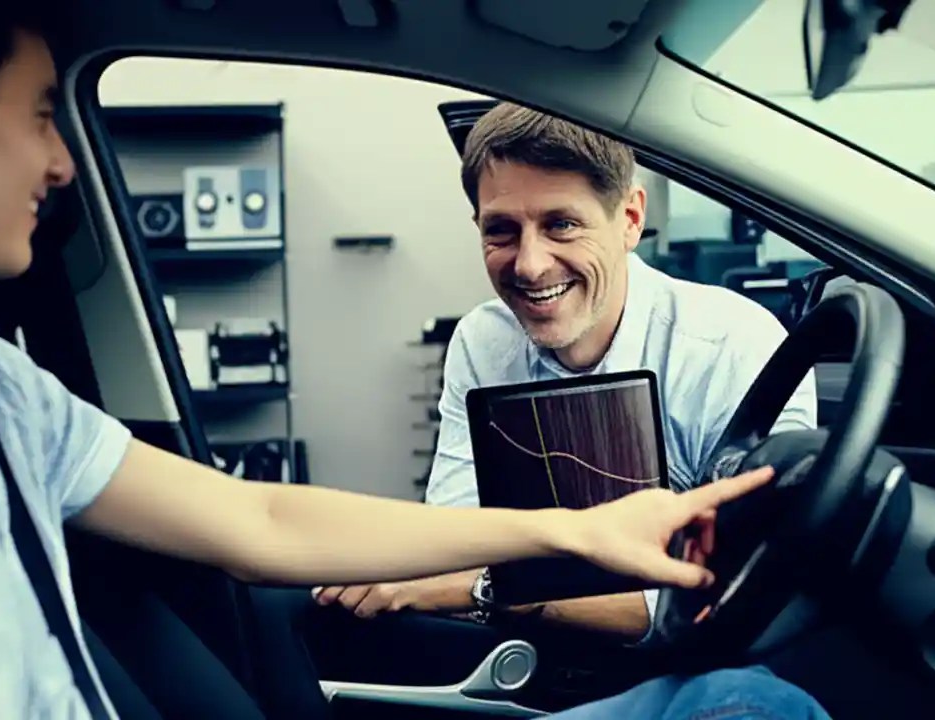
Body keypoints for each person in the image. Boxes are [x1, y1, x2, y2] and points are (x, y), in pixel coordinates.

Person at [0, 2, 829, 718]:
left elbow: (255, 517)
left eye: (558, 224)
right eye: (44, 113)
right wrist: (543, 554)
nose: (62, 162)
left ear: (629, 219)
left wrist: (574, 533)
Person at [313, 104, 819, 643]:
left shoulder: (732, 345)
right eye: (501, 231)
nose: (529, 265)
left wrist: (483, 588)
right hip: (530, 659)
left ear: (629, 220)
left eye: (561, 224)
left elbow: (727, 592)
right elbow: (456, 536)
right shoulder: (483, 342)